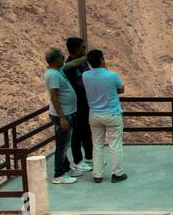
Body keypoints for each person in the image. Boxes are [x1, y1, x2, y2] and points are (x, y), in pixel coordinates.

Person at [82, 49, 127, 183]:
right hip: (112, 114)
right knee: (115, 145)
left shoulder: (85, 75)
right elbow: (121, 89)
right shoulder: (112, 75)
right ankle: (117, 174)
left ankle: (97, 175)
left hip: (94, 114)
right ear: (102, 59)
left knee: (97, 145)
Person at [44, 48, 79, 184]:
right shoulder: (53, 75)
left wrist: (85, 58)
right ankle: (59, 174)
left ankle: (65, 167)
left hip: (66, 113)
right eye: (62, 57)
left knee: (62, 143)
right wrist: (62, 117)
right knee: (63, 145)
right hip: (63, 115)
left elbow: (69, 65)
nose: (64, 58)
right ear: (55, 60)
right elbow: (54, 97)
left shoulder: (57, 70)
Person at [63, 36, 92, 174]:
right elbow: (82, 83)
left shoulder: (82, 63)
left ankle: (89, 157)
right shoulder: (70, 66)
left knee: (86, 131)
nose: (84, 50)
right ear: (75, 49)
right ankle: (78, 160)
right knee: (77, 133)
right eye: (83, 47)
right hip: (77, 104)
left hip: (85, 103)